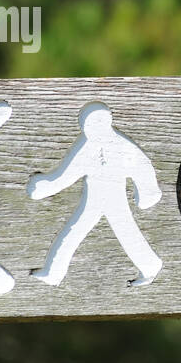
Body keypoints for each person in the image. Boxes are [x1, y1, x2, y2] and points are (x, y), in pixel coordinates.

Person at [28, 103, 163, 286]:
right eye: (91, 123)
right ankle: (54, 273)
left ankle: (150, 267)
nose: (95, 127)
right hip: (95, 198)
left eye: (99, 121)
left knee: (122, 232)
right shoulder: (88, 147)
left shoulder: (119, 145)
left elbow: (142, 166)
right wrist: (46, 187)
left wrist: (148, 192)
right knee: (77, 232)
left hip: (114, 197)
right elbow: (67, 175)